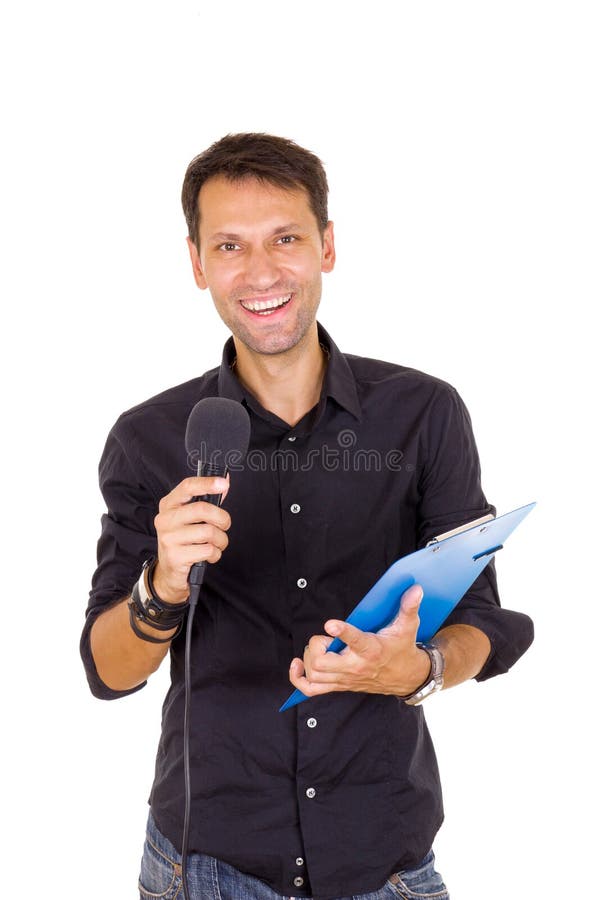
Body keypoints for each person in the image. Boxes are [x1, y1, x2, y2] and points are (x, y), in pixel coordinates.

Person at [81, 133, 534, 900]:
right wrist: (161, 585)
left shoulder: (422, 413)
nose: (260, 273)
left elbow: (485, 623)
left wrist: (417, 670)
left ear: (326, 246)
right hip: (207, 864)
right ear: (197, 264)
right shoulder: (149, 438)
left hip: (382, 858)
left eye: (285, 238)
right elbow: (107, 670)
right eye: (230, 245)